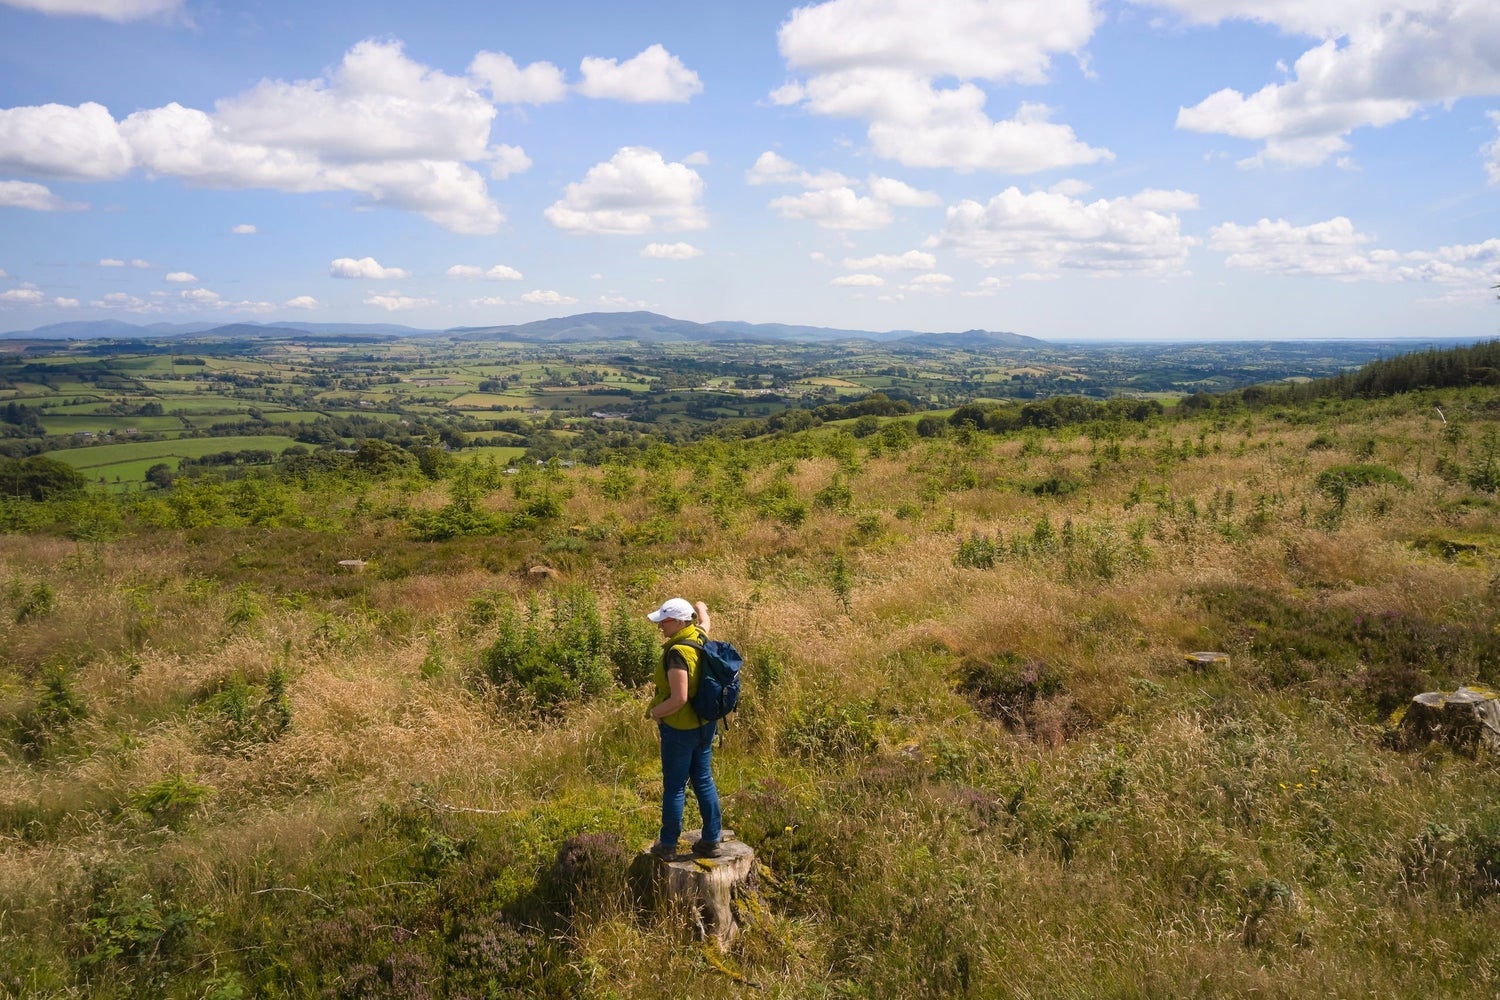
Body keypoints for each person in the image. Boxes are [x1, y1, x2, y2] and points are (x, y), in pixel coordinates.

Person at [646, 596, 723, 859]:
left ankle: (668, 845)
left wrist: (655, 713)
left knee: (675, 786)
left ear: (679, 622)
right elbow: (705, 622)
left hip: (680, 729)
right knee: (703, 780)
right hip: (705, 724)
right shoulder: (698, 636)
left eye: (664, 621)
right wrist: (701, 608)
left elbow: (679, 698)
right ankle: (711, 840)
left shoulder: (677, 653)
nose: (660, 626)